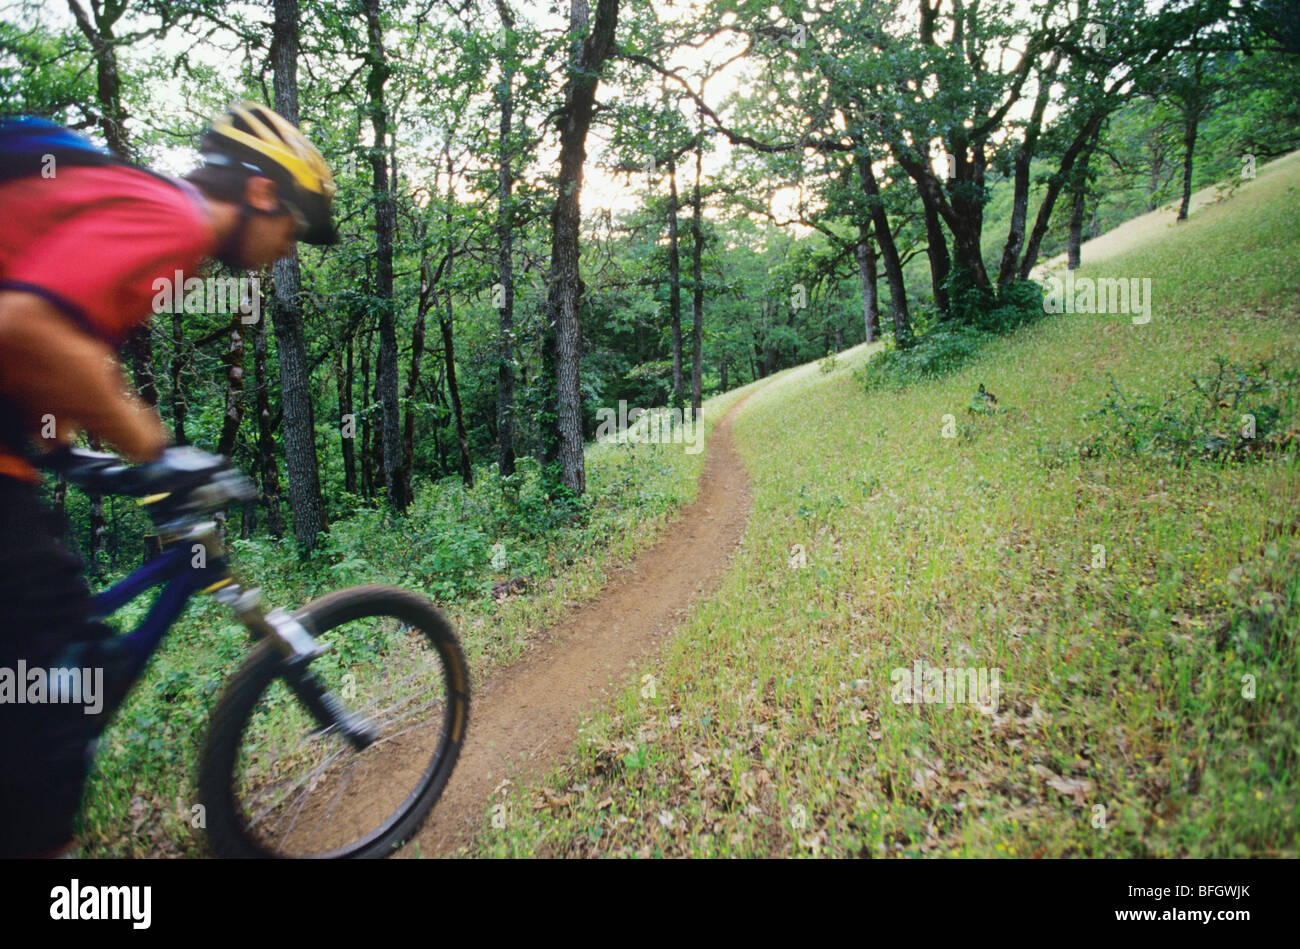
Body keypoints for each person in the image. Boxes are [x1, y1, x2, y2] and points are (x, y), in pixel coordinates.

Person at [0, 103, 337, 858]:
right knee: (48, 719)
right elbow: (24, 324)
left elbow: (39, 354)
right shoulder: (173, 218)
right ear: (259, 195)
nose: (290, 248)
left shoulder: (135, 214)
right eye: (295, 224)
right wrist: (156, 450)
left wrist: (74, 453)